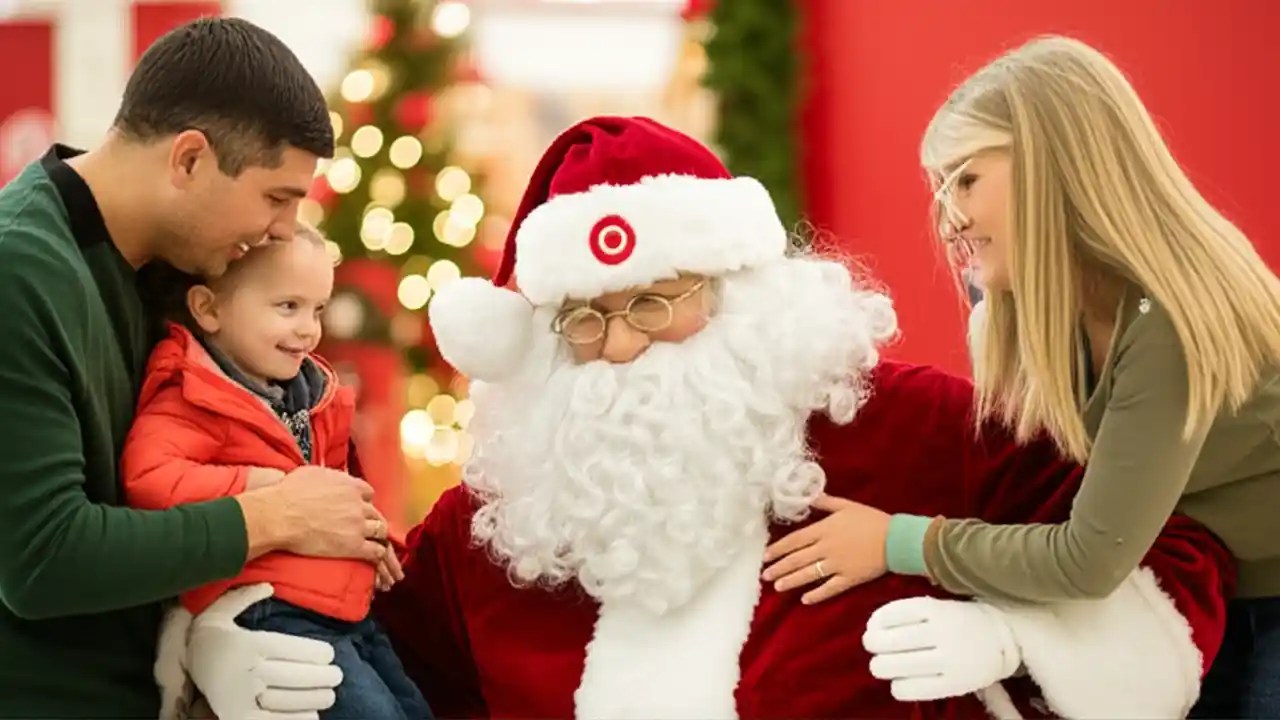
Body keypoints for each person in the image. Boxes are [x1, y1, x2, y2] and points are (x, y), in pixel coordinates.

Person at [180, 116, 1234, 718]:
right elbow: (380, 658)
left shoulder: (916, 433)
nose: (624, 344)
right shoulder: (493, 529)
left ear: (738, 291)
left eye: (654, 302)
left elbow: (1166, 554)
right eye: (585, 323)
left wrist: (1014, 637)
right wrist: (226, 645)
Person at [760, 35, 1280, 717]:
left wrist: (894, 541)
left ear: (1052, 164)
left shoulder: (1166, 322)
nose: (950, 218)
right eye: (940, 188)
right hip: (1192, 597)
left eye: (967, 180)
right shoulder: (1036, 318)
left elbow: (1086, 560)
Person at [0, 18, 388, 717]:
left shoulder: (183, 267)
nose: (282, 229)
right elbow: (42, 559)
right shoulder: (19, 274)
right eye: (277, 197)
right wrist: (271, 516)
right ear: (188, 160)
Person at [123, 225, 431, 720]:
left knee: (415, 708)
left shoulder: (311, 395)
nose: (310, 329)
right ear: (209, 309)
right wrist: (262, 489)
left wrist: (374, 541)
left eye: (318, 310)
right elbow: (150, 480)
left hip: (346, 609)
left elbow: (335, 493)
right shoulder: (192, 396)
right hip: (271, 611)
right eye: (288, 307)